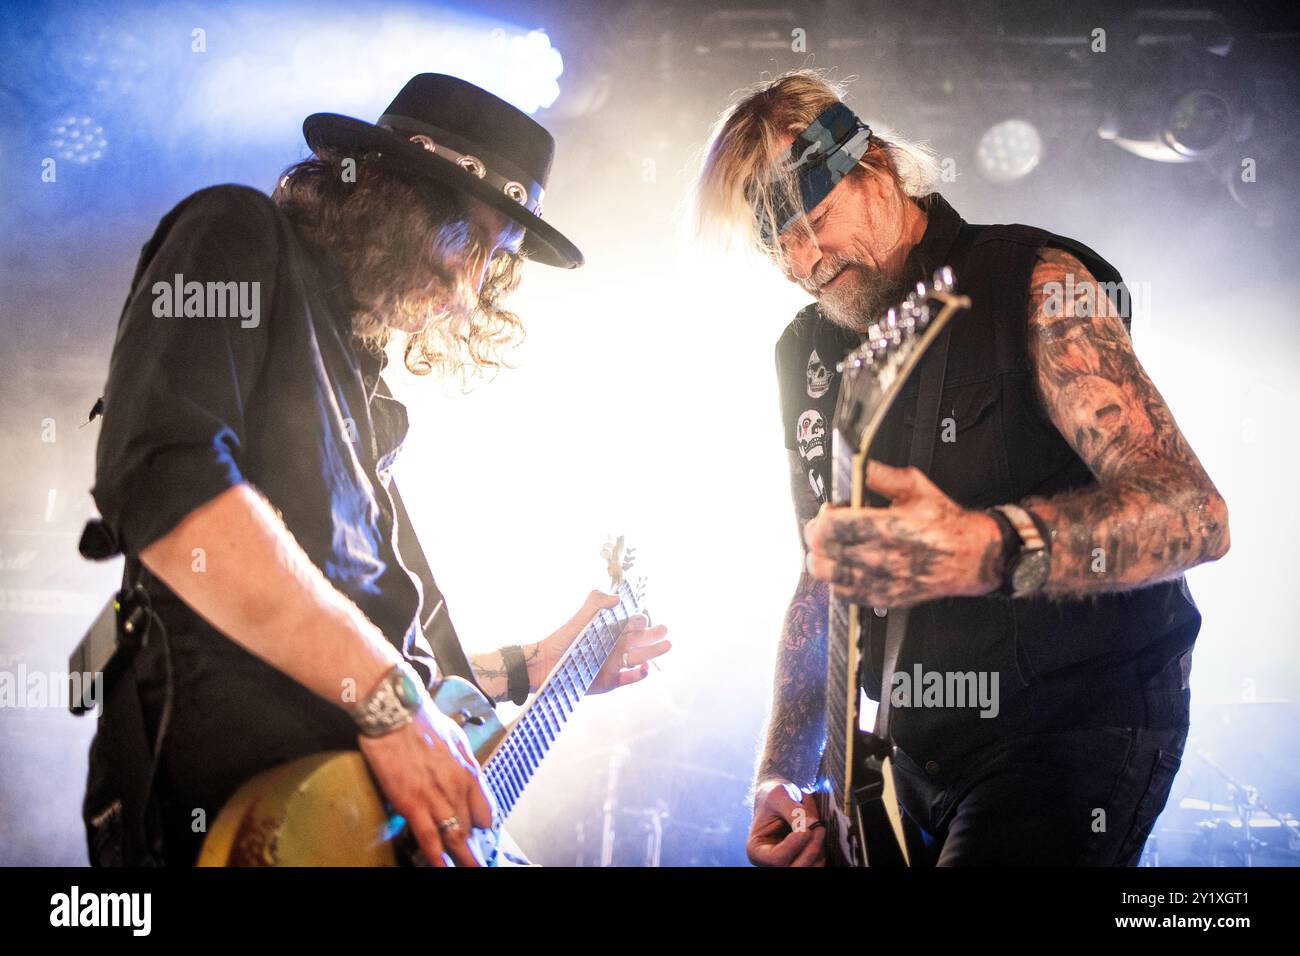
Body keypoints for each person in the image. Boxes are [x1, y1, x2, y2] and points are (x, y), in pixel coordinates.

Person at [82, 73, 670, 867]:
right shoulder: (235, 231)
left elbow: (412, 669)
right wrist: (392, 707)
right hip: (234, 806)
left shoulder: (369, 399)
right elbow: (163, 478)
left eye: (494, 258)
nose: (471, 285)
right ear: (392, 189)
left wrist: (534, 666)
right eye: (467, 238)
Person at [694, 69, 1229, 866]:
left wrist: (987, 548)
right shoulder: (803, 353)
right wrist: (782, 770)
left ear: (872, 166)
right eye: (777, 243)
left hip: (1068, 728)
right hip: (908, 757)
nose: (804, 260)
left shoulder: (1036, 279)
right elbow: (822, 578)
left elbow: (1195, 512)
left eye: (815, 218)